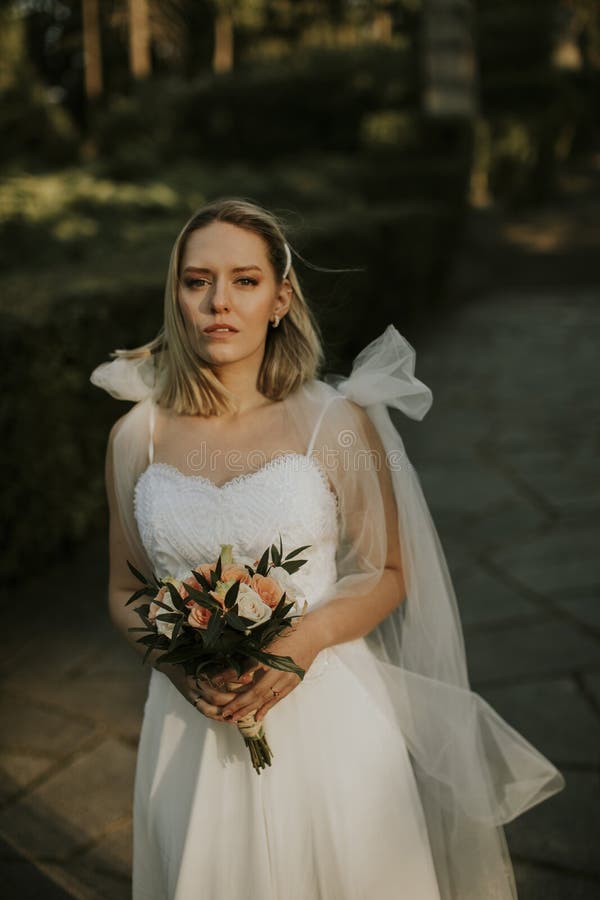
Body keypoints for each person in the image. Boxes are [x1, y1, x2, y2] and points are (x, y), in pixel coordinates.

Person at [91, 198, 565, 900]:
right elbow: (125, 588)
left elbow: (389, 570)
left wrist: (303, 640)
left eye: (245, 281)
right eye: (197, 282)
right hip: (190, 726)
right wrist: (177, 662)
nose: (219, 302)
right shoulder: (139, 436)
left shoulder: (334, 423)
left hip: (325, 715)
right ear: (177, 296)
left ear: (280, 299)